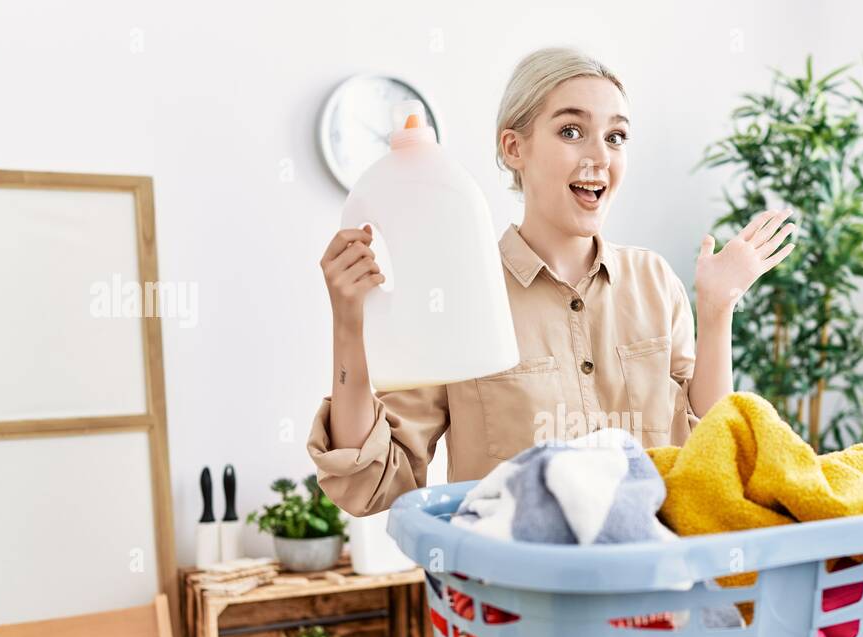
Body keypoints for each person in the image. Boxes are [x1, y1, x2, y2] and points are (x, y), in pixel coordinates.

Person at [307, 46, 795, 517]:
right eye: (571, 131)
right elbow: (372, 485)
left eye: (616, 136)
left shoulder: (655, 281)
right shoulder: (461, 293)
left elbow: (709, 457)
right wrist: (348, 325)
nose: (599, 156)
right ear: (514, 147)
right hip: (515, 592)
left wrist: (716, 309)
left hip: (649, 584)